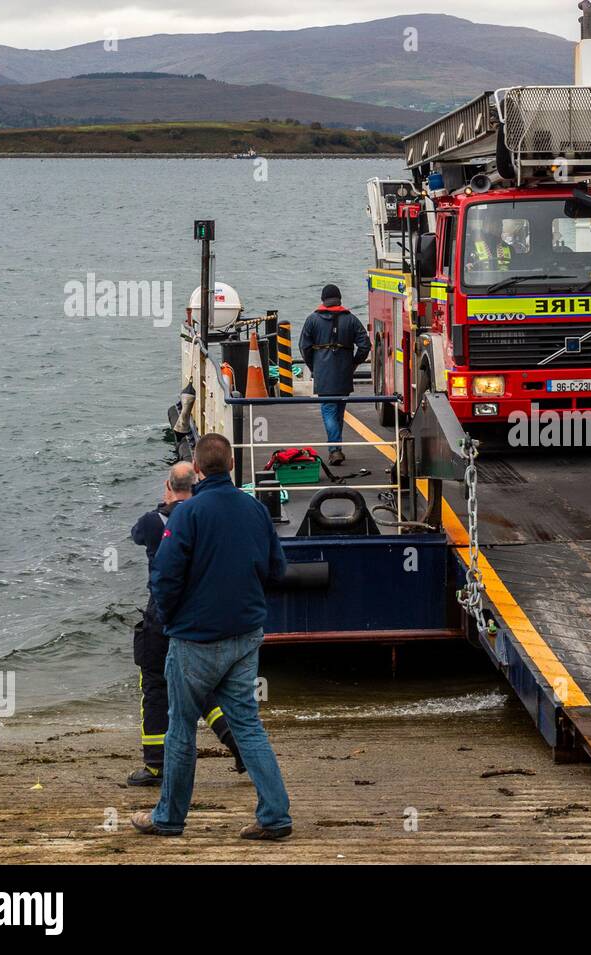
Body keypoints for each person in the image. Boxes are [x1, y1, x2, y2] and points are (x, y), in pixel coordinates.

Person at [132, 433, 292, 840]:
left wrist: (170, 620)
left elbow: (165, 577)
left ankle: (169, 817)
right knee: (249, 725)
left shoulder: (187, 514)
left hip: (194, 638)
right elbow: (278, 569)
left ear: (198, 470)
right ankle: (274, 815)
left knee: (181, 728)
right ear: (234, 465)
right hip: (245, 634)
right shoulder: (255, 509)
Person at [128, 462, 243, 786]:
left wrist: (164, 504)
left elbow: (137, 534)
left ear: (168, 486)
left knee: (153, 687)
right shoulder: (203, 518)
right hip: (197, 616)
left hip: (161, 615)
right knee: (199, 686)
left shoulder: (155, 521)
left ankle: (155, 764)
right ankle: (239, 744)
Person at [298, 284, 369, 467]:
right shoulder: (351, 320)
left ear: (323, 299)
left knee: (329, 410)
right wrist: (354, 362)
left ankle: (334, 449)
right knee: (338, 411)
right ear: (339, 299)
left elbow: (304, 347)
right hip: (344, 371)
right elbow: (365, 344)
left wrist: (313, 365)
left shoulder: (312, 319)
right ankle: (336, 446)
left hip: (323, 372)